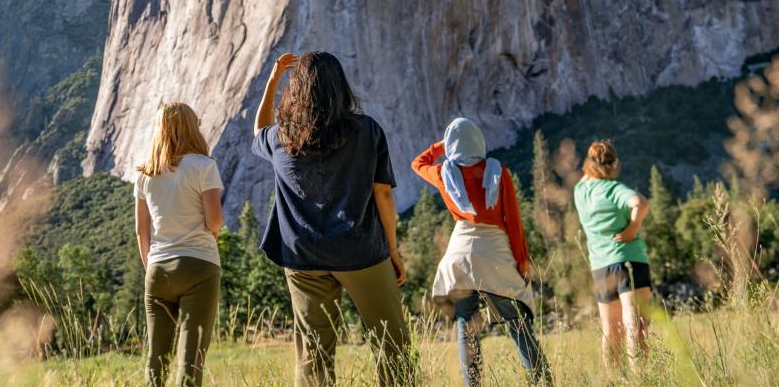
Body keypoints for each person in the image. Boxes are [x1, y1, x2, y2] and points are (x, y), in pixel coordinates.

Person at [253, 51, 413, 387]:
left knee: (313, 358)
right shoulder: (367, 131)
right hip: (361, 251)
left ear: (296, 91)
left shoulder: (281, 138)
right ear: (341, 88)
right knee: (392, 345)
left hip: (304, 257)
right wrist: (393, 251)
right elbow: (383, 193)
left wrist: (272, 82)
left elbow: (259, 130)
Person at [411, 117, 553, 387]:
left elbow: (417, 163)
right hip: (494, 252)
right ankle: (543, 382)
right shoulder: (498, 173)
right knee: (517, 322)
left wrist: (444, 145)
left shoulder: (445, 173)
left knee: (467, 326)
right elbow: (513, 222)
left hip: (459, 255)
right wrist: (522, 260)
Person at [133, 102, 224, 387]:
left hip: (158, 269)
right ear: (191, 128)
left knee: (156, 359)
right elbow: (214, 221)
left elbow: (141, 231)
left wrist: (151, 267)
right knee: (190, 360)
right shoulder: (204, 167)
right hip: (199, 266)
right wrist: (213, 232)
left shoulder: (146, 174)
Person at [572, 140, 652, 367]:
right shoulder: (613, 189)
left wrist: (589, 168)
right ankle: (640, 381)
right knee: (635, 325)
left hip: (600, 267)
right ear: (614, 164)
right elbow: (641, 203)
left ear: (588, 164)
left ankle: (612, 381)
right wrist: (632, 229)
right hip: (629, 260)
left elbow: (585, 178)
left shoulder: (580, 192)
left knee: (610, 331)